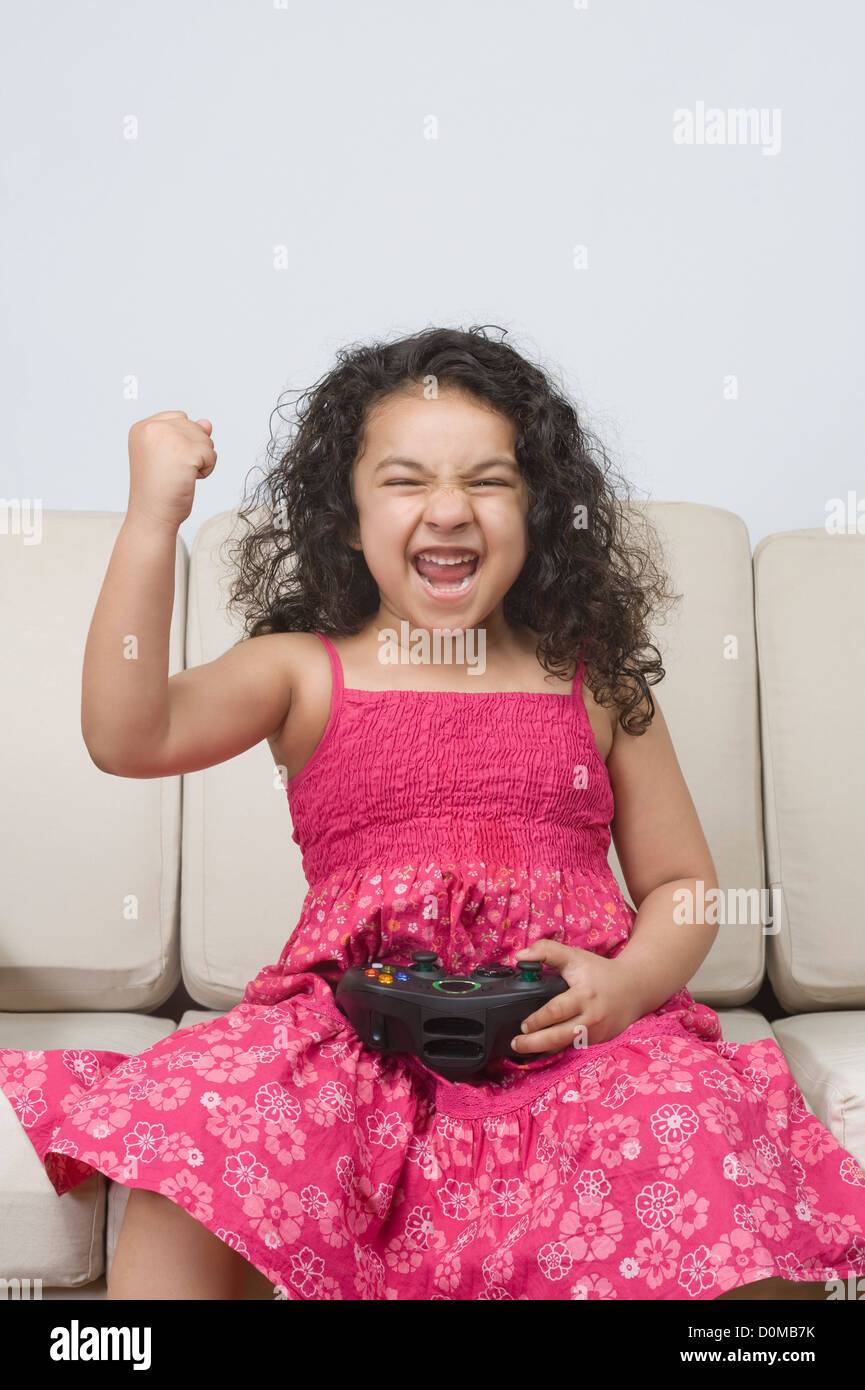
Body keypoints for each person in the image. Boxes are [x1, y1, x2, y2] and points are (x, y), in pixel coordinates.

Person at [2, 325, 862, 1301]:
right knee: (192, 1143)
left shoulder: (589, 680)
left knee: (707, 1136)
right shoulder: (301, 671)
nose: (448, 509)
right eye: (406, 480)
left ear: (540, 507)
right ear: (347, 510)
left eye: (489, 481)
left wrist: (624, 986)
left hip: (568, 1043)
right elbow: (129, 733)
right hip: (344, 1038)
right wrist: (151, 518)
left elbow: (686, 889)